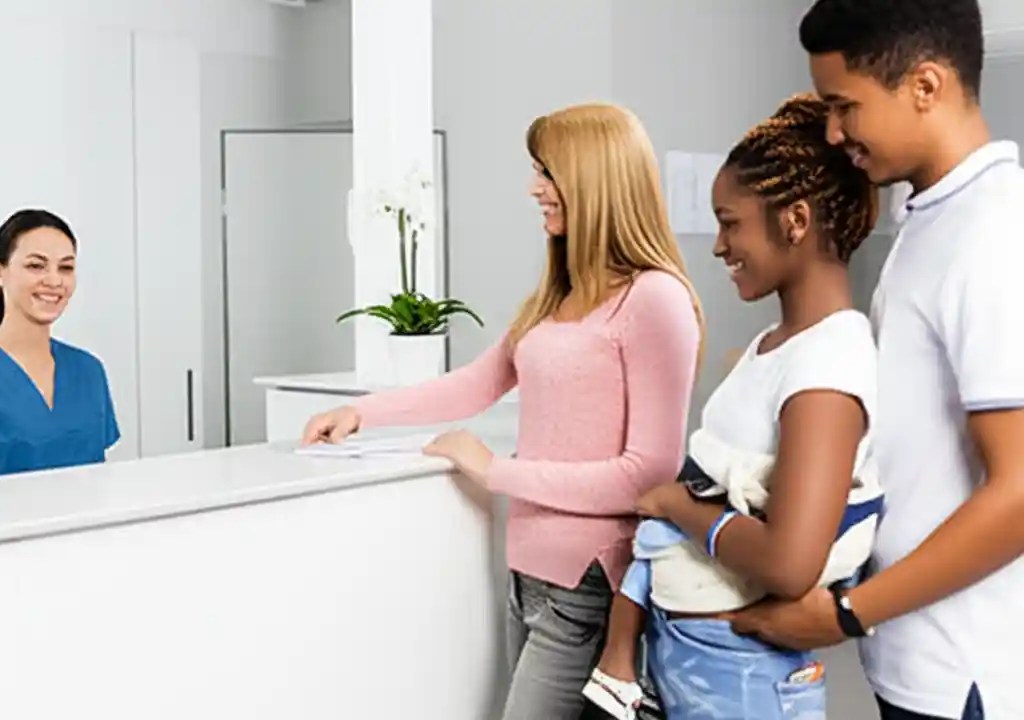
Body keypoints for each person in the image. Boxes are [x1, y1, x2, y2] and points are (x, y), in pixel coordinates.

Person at [301, 103, 702, 720]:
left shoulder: (656, 299)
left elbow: (648, 474)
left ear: (594, 178)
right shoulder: (559, 293)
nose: (533, 188)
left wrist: (496, 471)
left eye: (547, 171)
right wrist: (364, 412)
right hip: (529, 578)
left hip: (588, 583)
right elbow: (476, 383)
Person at [730, 2, 1024, 719]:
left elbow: (1020, 492)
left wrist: (846, 613)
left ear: (925, 86)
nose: (834, 133)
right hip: (913, 656)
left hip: (966, 676)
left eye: (844, 107)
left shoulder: (992, 235)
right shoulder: (933, 221)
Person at [574, 95, 881, 720]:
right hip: (693, 655)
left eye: (729, 221)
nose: (718, 245)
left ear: (795, 220)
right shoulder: (775, 347)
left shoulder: (826, 365)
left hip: (741, 677)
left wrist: (676, 503)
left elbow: (791, 564)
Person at [0, 209, 120, 482]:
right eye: (36, 266)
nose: (53, 280)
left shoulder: (89, 372)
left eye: (66, 267)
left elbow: (99, 482)